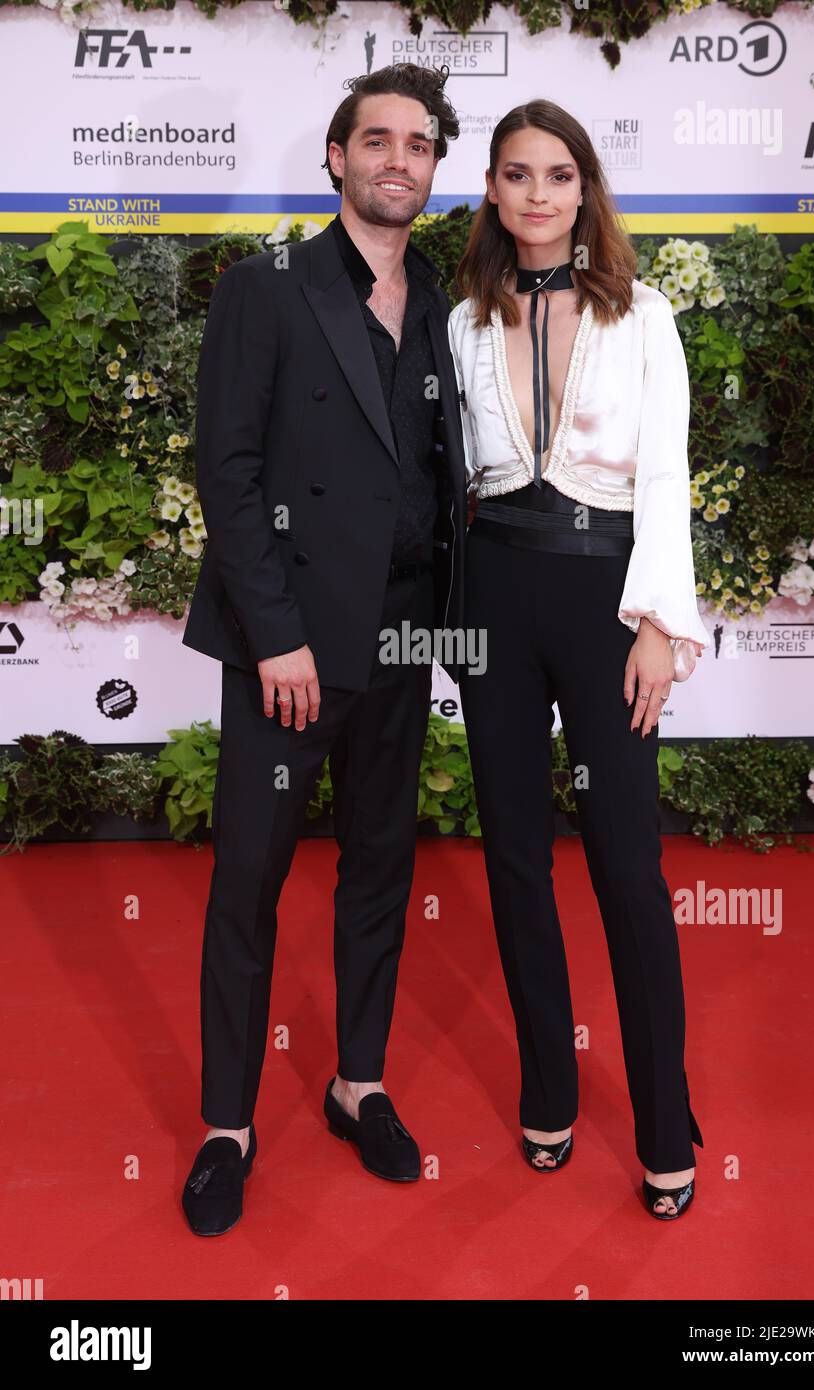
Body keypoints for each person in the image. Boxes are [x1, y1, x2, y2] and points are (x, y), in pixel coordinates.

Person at [179, 64, 466, 1235]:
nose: (399, 159)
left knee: (380, 870)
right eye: (377, 140)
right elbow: (229, 474)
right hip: (290, 650)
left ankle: (359, 1083)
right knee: (248, 880)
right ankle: (226, 1126)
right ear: (337, 159)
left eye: (420, 144)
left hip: (403, 635)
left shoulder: (449, 301)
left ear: (435, 170)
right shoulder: (270, 287)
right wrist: (276, 638)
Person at [447, 101, 710, 1219]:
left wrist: (658, 620)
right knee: (515, 857)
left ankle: (663, 1119)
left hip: (607, 599)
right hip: (494, 595)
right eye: (517, 174)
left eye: (559, 174)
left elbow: (664, 475)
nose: (539, 194)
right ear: (495, 193)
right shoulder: (459, 318)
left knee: (626, 867)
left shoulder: (644, 314)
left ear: (585, 188)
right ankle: (546, 1089)